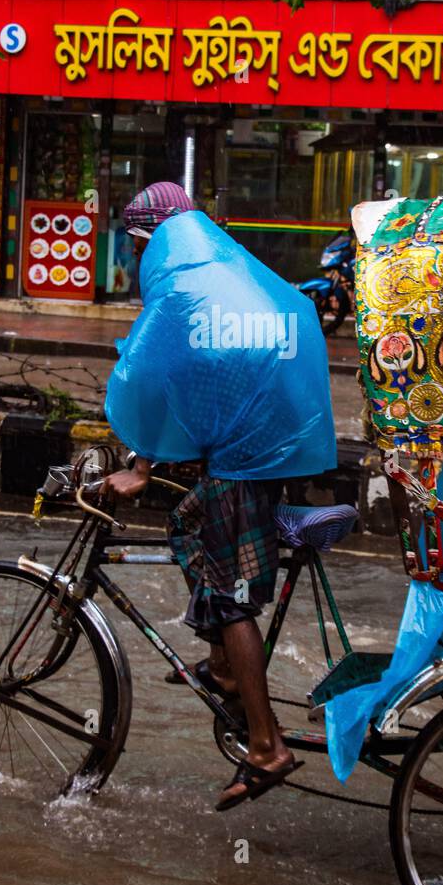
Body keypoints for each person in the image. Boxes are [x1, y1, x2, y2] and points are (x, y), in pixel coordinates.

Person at [101, 181, 335, 810]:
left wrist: (140, 464)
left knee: (231, 598)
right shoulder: (223, 270)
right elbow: (199, 377)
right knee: (189, 521)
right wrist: (149, 460)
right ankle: (224, 667)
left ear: (148, 237)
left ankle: (266, 747)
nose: (130, 256)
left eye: (131, 242)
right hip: (271, 448)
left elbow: (154, 375)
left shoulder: (183, 281)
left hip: (248, 460)